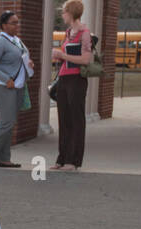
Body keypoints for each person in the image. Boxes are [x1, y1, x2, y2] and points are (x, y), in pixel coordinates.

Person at [0, 10, 35, 169]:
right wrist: (6, 79)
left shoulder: (17, 40)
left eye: (17, 22)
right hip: (2, 86)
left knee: (9, 123)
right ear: (4, 25)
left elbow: (22, 57)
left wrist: (29, 63)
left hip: (17, 85)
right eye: (13, 23)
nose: (17, 25)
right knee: (7, 121)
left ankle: (5, 158)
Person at [50, 0, 92, 170]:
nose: (62, 15)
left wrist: (63, 55)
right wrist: (59, 57)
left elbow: (86, 59)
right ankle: (62, 158)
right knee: (64, 118)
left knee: (76, 119)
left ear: (72, 13)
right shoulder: (68, 33)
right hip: (64, 78)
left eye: (64, 12)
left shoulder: (84, 33)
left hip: (77, 80)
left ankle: (73, 160)